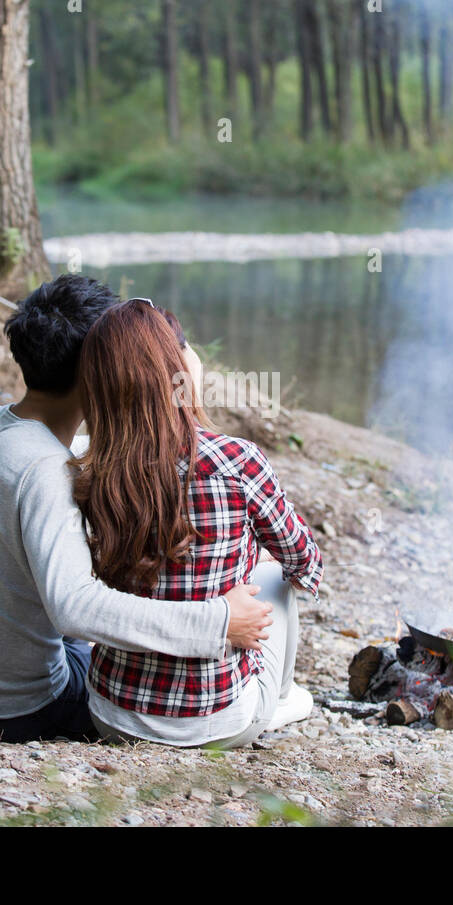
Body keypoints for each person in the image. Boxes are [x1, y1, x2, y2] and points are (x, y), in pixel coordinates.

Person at [0, 276, 273, 744]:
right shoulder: (49, 472)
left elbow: (94, 453)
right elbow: (75, 609)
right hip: (12, 708)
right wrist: (219, 621)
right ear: (100, 374)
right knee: (137, 678)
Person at [70, 299, 323, 749]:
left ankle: (281, 699)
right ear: (179, 367)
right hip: (217, 722)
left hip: (110, 714)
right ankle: (279, 698)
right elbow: (303, 562)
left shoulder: (88, 468)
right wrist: (248, 551)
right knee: (273, 575)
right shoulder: (236, 460)